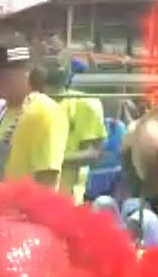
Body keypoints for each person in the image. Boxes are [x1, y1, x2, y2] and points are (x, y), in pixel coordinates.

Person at [0, 41, 68, 189]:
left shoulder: (42, 110)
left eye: (1, 74)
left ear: (26, 71)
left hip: (25, 210)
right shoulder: (6, 111)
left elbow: (45, 181)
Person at [38, 57, 107, 204]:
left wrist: (50, 161)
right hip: (32, 196)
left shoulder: (85, 104)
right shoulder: (30, 105)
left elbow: (94, 154)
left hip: (68, 199)